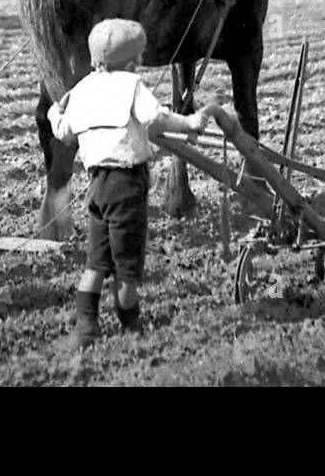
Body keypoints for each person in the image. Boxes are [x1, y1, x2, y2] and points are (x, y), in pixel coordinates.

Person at [49, 18, 213, 349]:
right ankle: (131, 327)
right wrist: (191, 122)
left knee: (96, 262)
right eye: (137, 57)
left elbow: (63, 132)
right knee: (127, 267)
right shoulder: (132, 86)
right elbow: (157, 120)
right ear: (130, 62)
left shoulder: (81, 90)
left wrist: (55, 112)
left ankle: (85, 329)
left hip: (96, 187)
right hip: (127, 187)